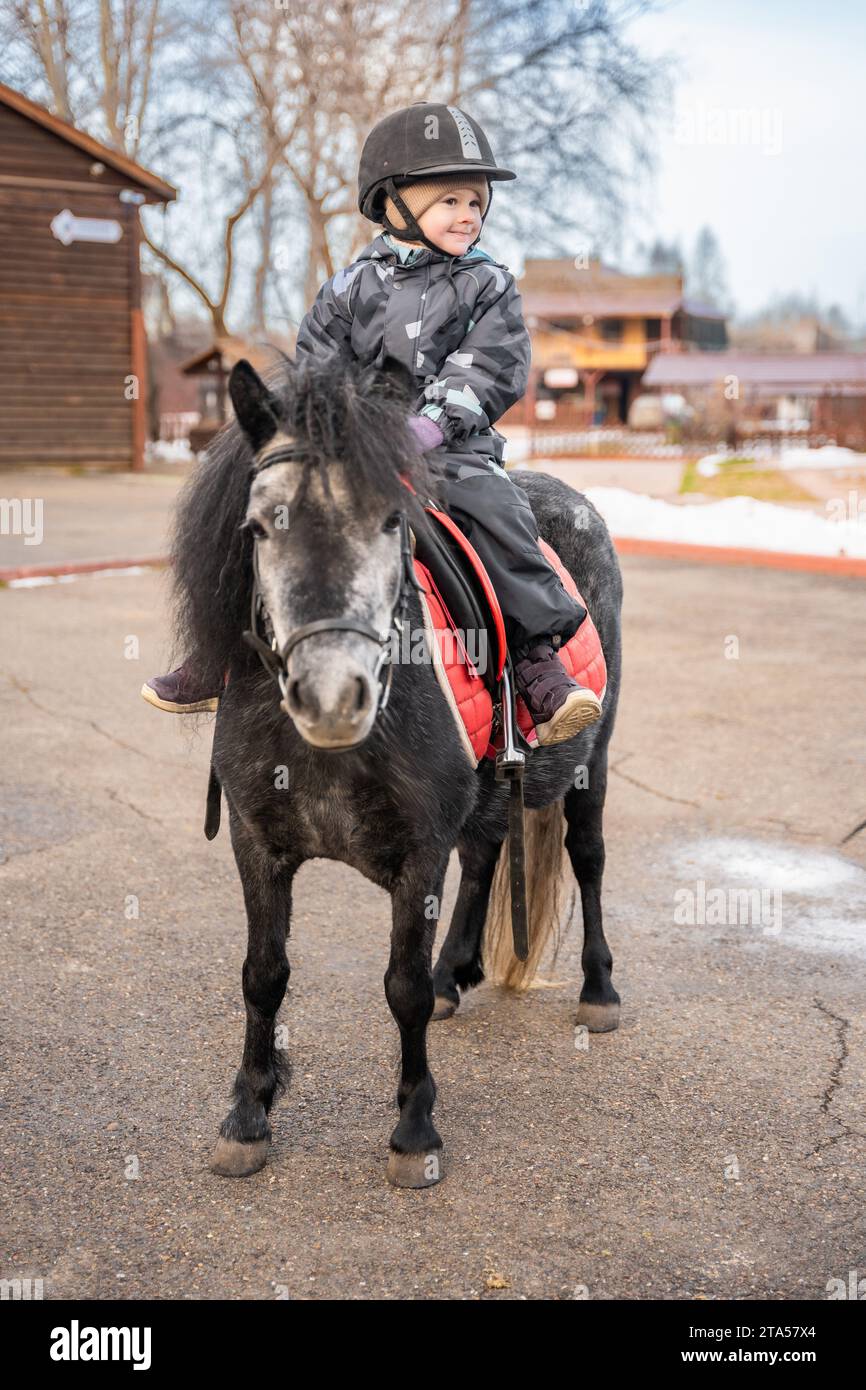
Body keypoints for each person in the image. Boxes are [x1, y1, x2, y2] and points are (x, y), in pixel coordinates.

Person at [142, 101, 602, 745]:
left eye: (476, 202)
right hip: (352, 454)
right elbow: (317, 376)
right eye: (450, 201)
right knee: (265, 510)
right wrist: (324, 434)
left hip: (449, 452)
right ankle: (217, 651)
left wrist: (428, 427)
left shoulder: (488, 283)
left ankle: (534, 662)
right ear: (394, 203)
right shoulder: (348, 288)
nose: (468, 215)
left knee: (497, 513)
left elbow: (490, 365)